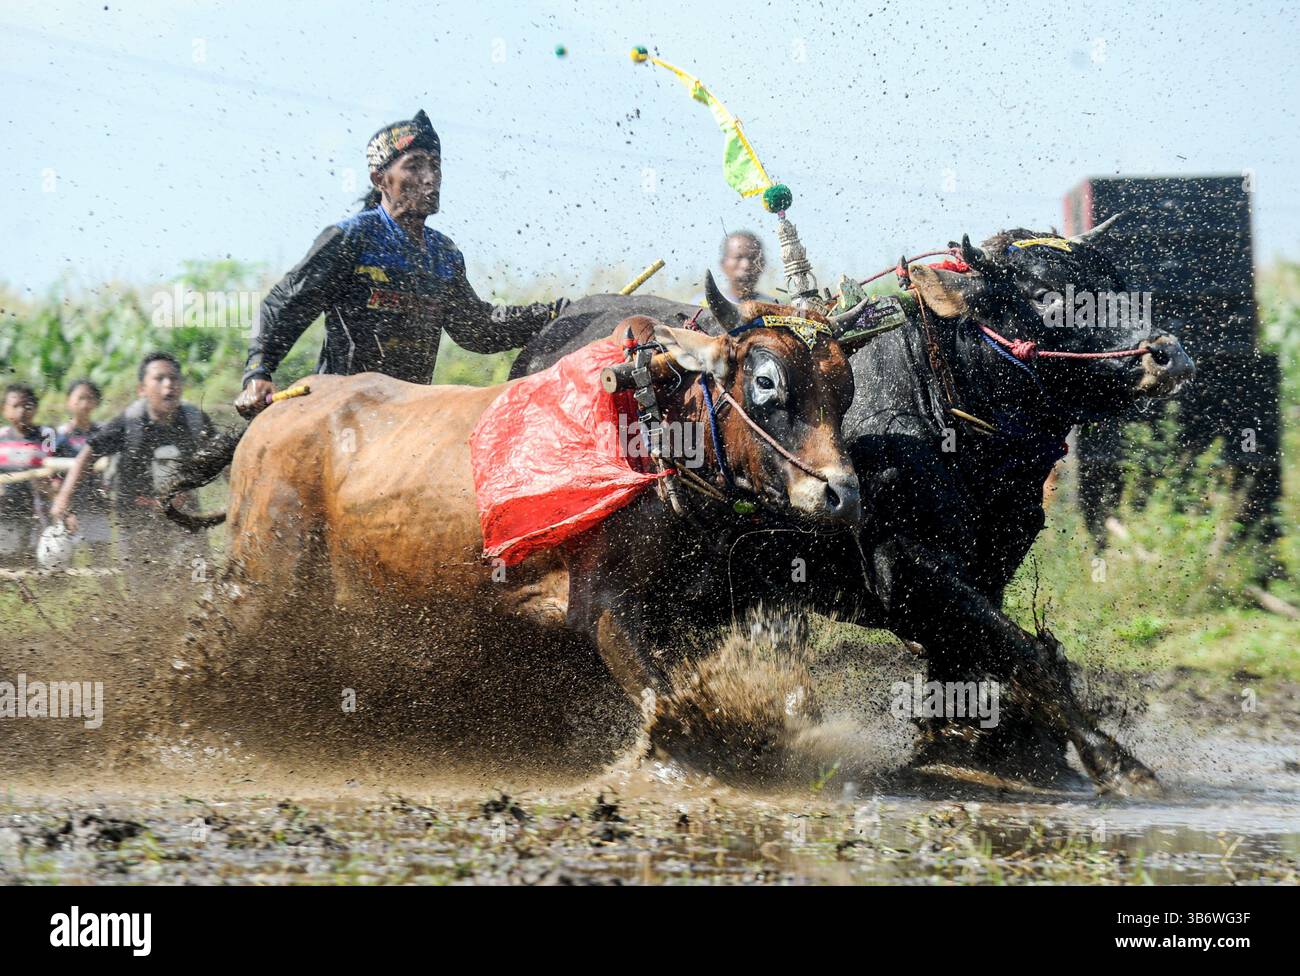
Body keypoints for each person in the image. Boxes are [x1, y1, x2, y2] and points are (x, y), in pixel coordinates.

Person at [234, 109, 568, 419]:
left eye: (435, 166)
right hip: (342, 412)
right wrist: (257, 372)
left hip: (410, 416)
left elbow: (477, 329)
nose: (430, 178)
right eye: (415, 165)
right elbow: (283, 305)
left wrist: (556, 314)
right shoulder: (352, 237)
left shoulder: (444, 253)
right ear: (380, 179)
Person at [50, 353, 214, 585]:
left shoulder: (195, 420)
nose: (169, 385)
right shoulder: (129, 423)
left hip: (185, 518)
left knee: (199, 581)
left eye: (174, 378)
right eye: (159, 378)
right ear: (142, 389)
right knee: (145, 590)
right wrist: (64, 498)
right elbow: (86, 455)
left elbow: (224, 460)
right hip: (137, 520)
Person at [51, 378, 113, 564]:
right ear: (69, 401)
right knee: (60, 563)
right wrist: (66, 511)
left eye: (89, 398)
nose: (84, 404)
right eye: (80, 398)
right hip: (70, 509)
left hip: (96, 508)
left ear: (96, 402)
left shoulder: (103, 433)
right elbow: (53, 478)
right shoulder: (59, 436)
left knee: (102, 562)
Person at [0, 384, 55, 566]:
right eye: (15, 406)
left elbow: (53, 468)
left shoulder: (46, 435)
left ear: (35, 408)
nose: (22, 411)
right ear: (4, 409)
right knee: (8, 563)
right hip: (6, 511)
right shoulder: (1, 438)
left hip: (37, 510)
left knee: (39, 562)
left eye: (27, 406)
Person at [693, 230, 774, 308]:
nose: (746, 265)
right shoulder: (704, 303)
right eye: (738, 257)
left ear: (763, 264)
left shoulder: (774, 307)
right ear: (723, 264)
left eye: (753, 258)